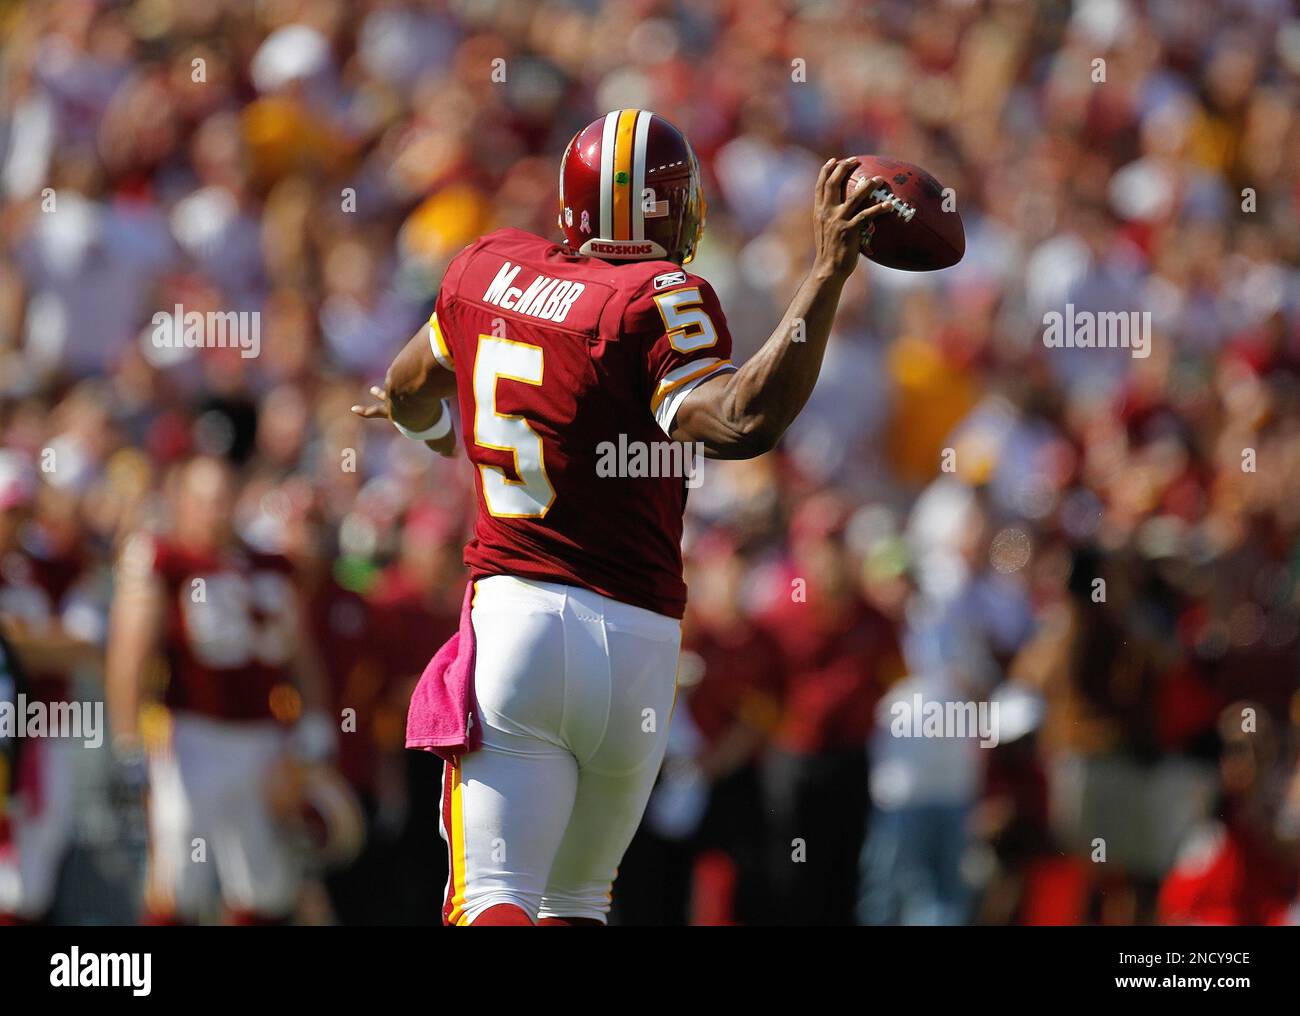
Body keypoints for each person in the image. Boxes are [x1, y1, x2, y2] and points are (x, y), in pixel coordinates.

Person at [351, 109, 895, 926]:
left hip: (521, 624)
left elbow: (405, 382)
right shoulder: (662, 297)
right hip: (640, 647)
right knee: (577, 902)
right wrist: (823, 276)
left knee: (491, 896)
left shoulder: (486, 267)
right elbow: (743, 420)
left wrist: (430, 430)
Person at [105, 455, 334, 924]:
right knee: (176, 878)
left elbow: (303, 656)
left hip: (263, 739)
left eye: (224, 498)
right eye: (204, 500)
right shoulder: (164, 559)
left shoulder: (272, 564)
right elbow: (129, 657)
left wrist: (315, 724)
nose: (216, 510)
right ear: (181, 503)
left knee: (264, 882)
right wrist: (129, 748)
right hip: (190, 735)